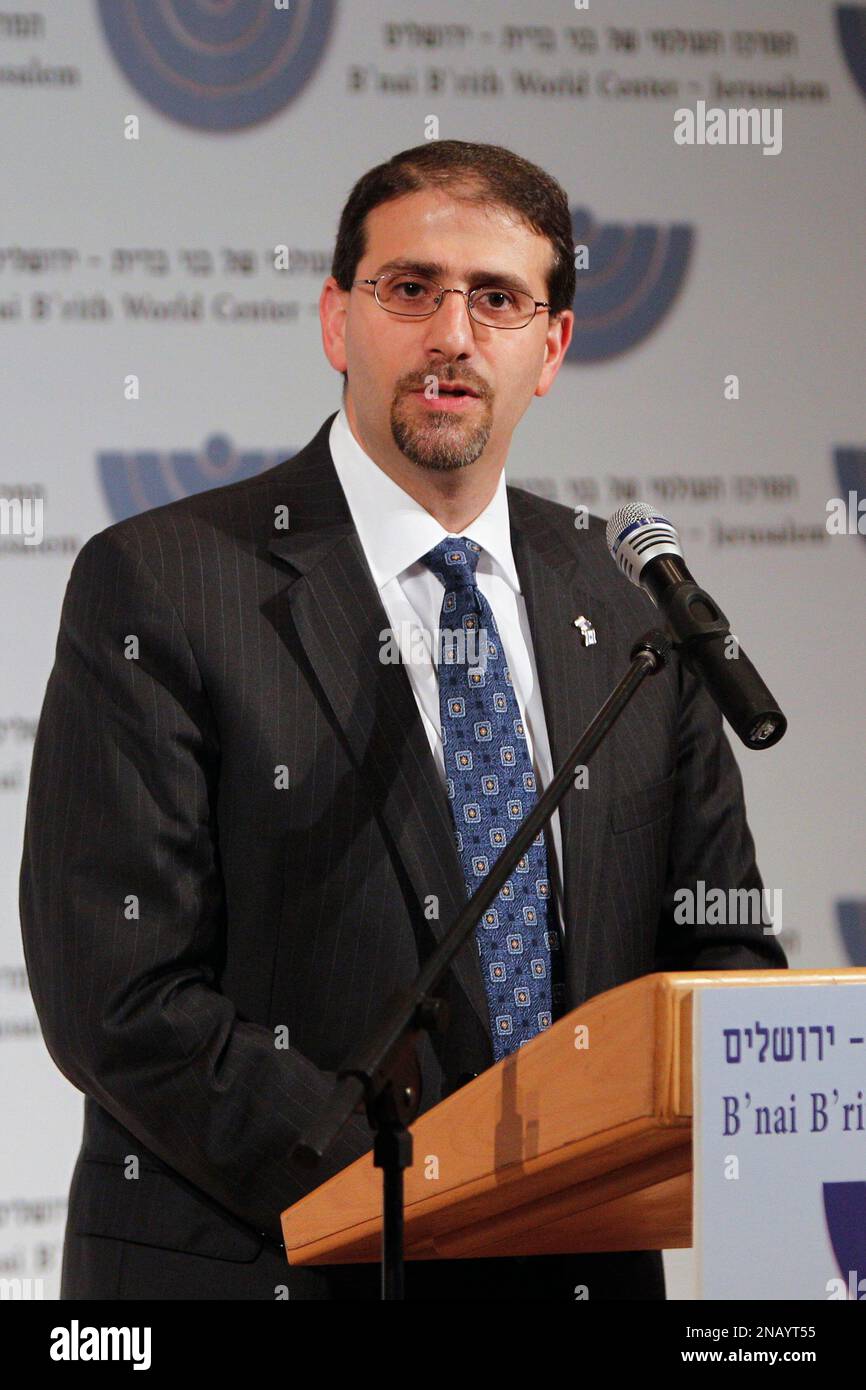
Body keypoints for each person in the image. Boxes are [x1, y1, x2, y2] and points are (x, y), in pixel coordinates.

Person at [19, 140, 787, 1301]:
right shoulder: (169, 582)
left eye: (496, 298)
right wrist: (416, 1183)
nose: (452, 335)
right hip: (276, 1264)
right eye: (409, 289)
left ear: (552, 347)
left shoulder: (625, 602)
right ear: (337, 321)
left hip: (576, 1268)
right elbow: (118, 993)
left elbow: (715, 945)